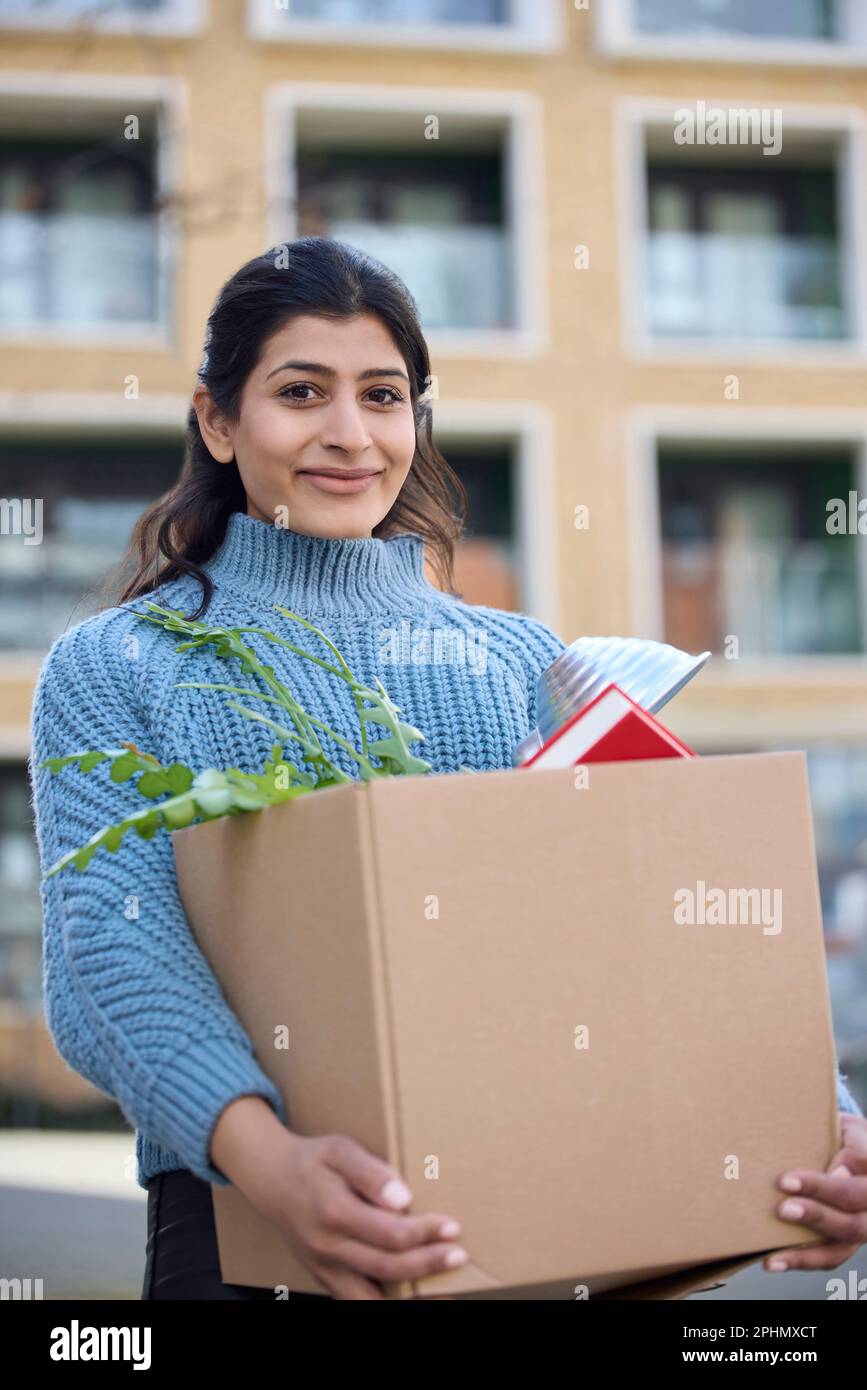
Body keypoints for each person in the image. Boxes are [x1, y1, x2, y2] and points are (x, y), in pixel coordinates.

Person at [29, 238, 867, 1300]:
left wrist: (821, 1121)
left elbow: (666, 923)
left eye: (383, 396)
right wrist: (273, 1161)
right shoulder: (120, 662)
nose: (349, 433)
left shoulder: (524, 662)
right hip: (249, 1224)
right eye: (301, 392)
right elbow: (113, 950)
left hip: (534, 1206)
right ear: (218, 419)